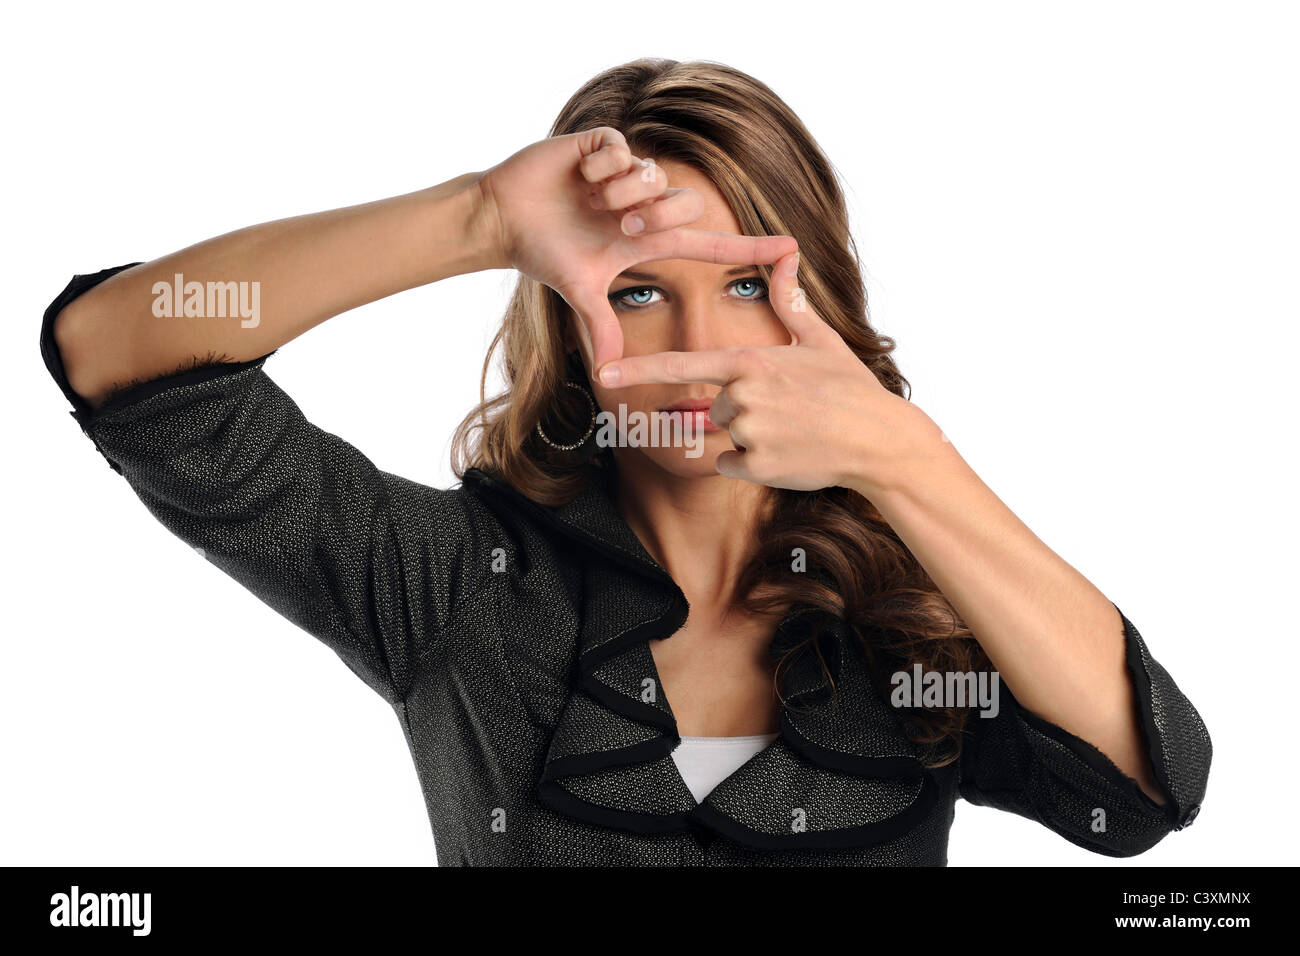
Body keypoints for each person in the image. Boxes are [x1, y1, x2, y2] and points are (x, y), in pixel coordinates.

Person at [41, 57, 1210, 865]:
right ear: (568, 317)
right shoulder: (451, 589)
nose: (698, 348)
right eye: (640, 289)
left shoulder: (914, 637)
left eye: (746, 285)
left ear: (823, 302)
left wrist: (905, 457)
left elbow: (1144, 778)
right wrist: (476, 218)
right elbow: (115, 355)